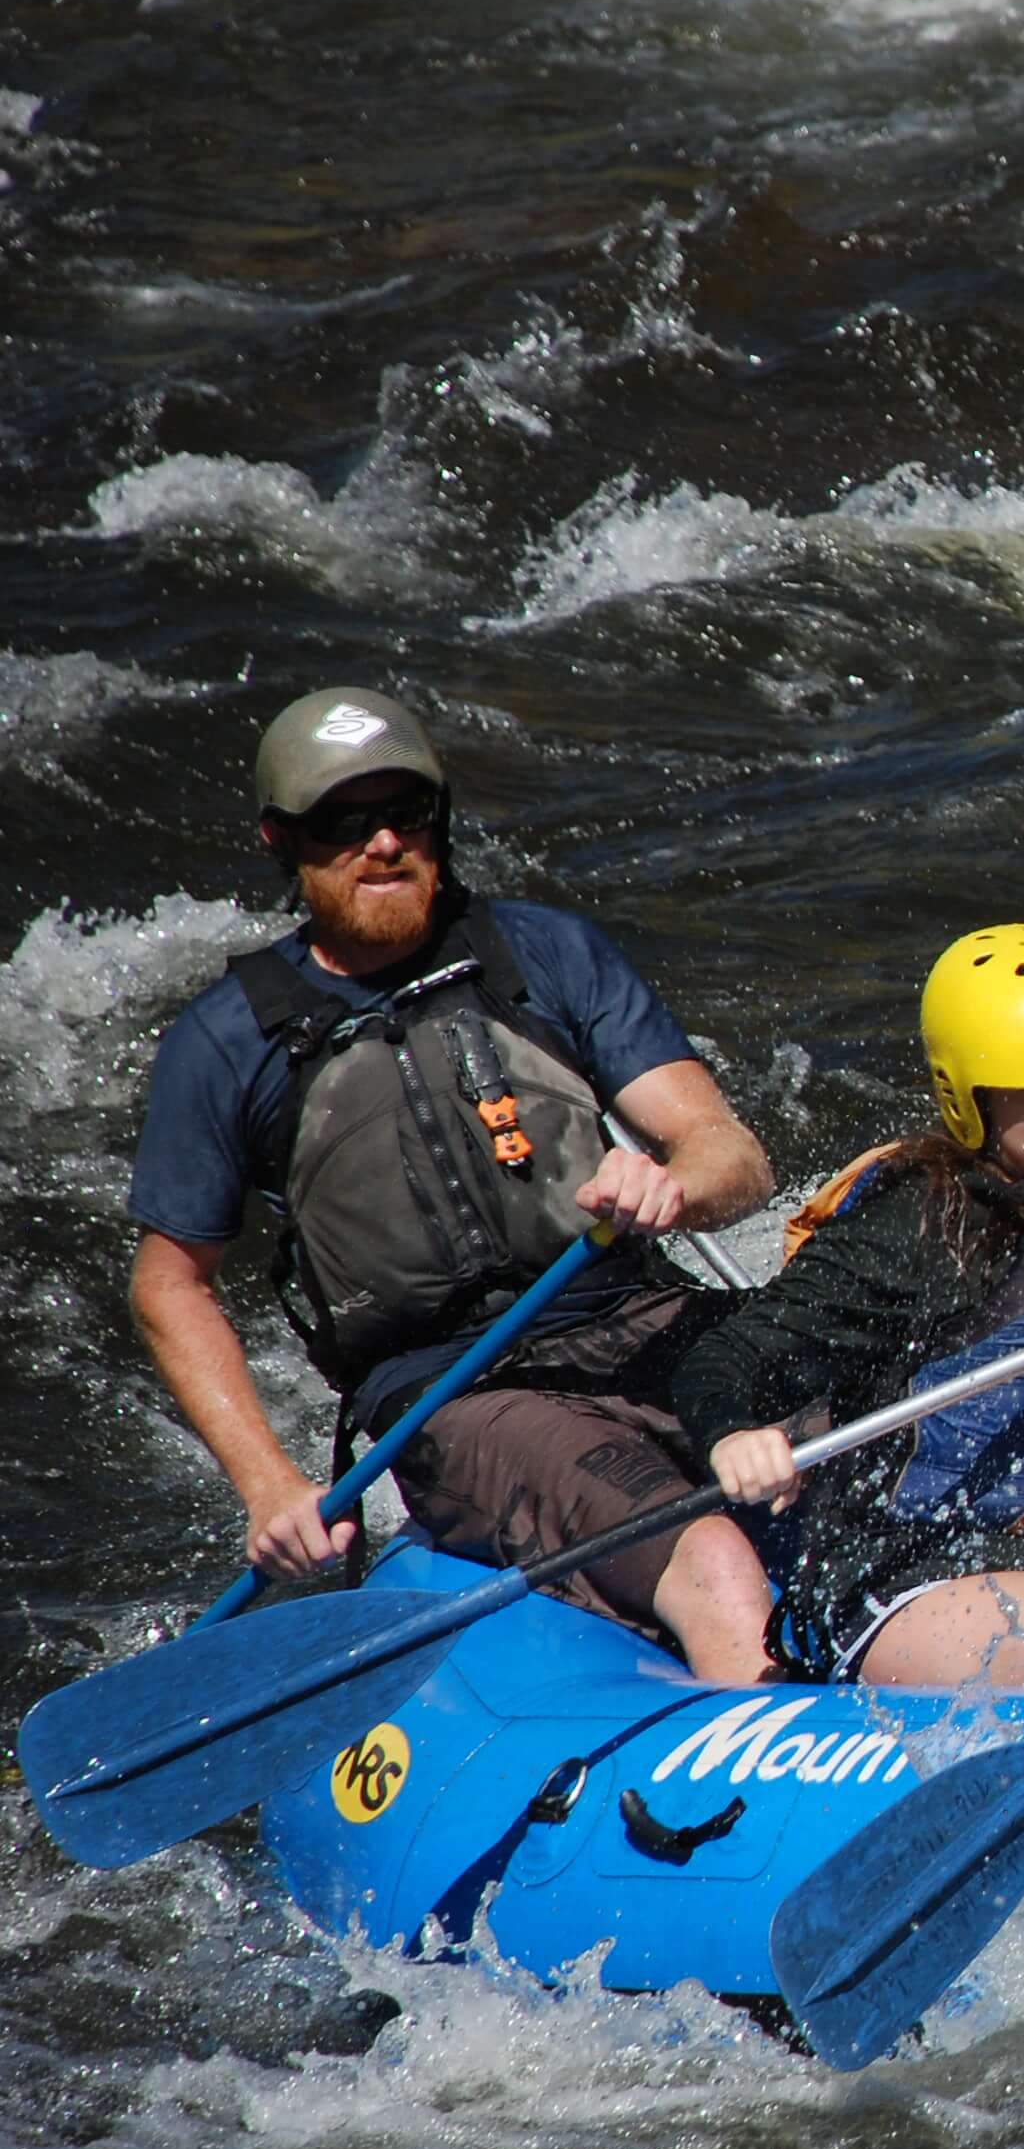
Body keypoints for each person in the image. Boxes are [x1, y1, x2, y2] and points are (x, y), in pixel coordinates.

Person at [126, 686, 779, 1678]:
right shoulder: (226, 1043)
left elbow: (727, 1150)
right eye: (343, 824)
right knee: (716, 1558)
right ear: (281, 840)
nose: (383, 843)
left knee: (869, 1452)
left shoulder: (545, 954)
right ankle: (777, 1777)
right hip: (455, 1395)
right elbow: (169, 1283)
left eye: (408, 815)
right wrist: (269, 1486)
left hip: (640, 1318)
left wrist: (674, 1185)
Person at [672, 926, 1024, 1693]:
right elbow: (726, 1357)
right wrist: (734, 1435)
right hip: (906, 1593)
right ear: (970, 1093)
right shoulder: (919, 1223)